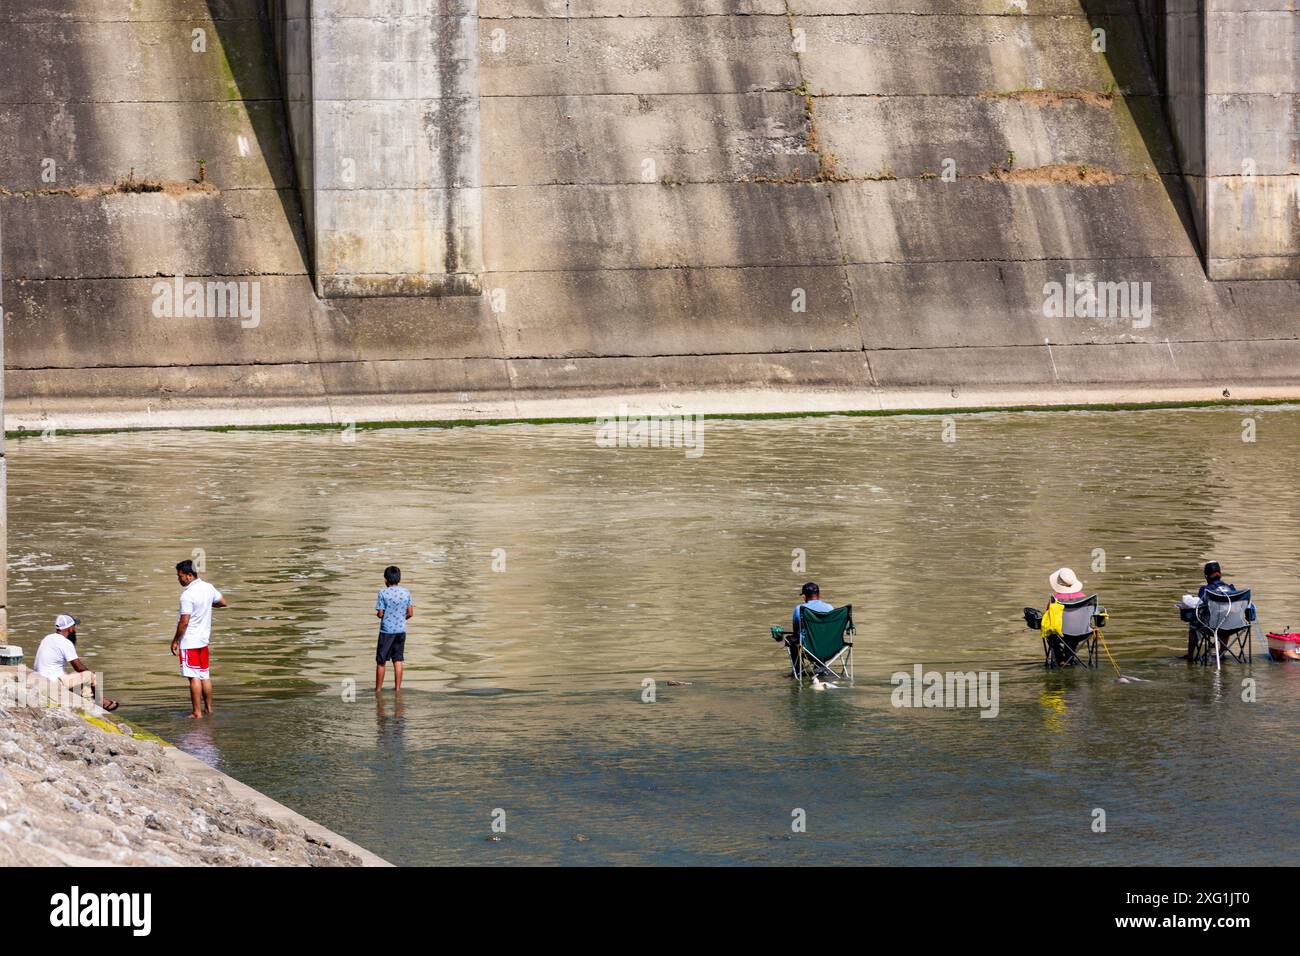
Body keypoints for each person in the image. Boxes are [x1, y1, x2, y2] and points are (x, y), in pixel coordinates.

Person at [169, 560, 226, 718]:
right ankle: (208, 709)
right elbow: (223, 602)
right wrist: (207, 604)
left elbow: (184, 621)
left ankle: (196, 712)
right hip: (203, 641)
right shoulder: (208, 588)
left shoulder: (187, 595)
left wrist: (175, 641)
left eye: (180, 576)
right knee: (204, 676)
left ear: (189, 576)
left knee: (193, 677)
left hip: (190, 642)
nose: (178, 579)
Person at [31, 614, 118, 711]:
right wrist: (90, 676)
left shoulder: (47, 638)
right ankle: (101, 701)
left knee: (85, 686)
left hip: (41, 680)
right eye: (74, 627)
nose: (75, 629)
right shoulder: (65, 642)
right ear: (70, 628)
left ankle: (89, 705)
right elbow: (78, 667)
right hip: (53, 683)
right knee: (90, 676)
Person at [1184, 561, 1237, 660]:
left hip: (1211, 627)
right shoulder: (1232, 589)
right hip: (1233, 626)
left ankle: (1190, 657)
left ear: (1206, 576)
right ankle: (1221, 653)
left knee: (1193, 622)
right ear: (1220, 574)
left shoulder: (1205, 590)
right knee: (1226, 619)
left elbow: (1200, 606)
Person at [375, 565, 413, 692]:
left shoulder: (382, 592)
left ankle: (378, 690)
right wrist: (401, 619)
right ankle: (397, 690)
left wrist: (383, 615)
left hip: (386, 632)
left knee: (381, 661)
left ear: (386, 579)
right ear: (399, 578)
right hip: (401, 631)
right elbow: (410, 613)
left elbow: (380, 613)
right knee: (398, 660)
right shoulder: (406, 592)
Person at [1041, 568, 1087, 664]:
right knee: (1073, 634)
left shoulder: (1055, 599)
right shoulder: (1084, 597)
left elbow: (1048, 615)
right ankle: (1069, 657)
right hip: (1082, 633)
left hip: (1060, 634)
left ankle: (1059, 658)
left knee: (1051, 634)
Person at [788, 582, 834, 672]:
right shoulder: (830, 608)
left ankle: (799, 671)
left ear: (804, 596)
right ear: (819, 594)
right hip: (830, 650)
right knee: (822, 639)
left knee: (791, 640)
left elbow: (796, 632)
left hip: (808, 650)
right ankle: (820, 668)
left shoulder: (799, 609)